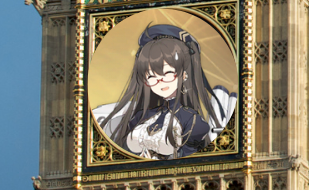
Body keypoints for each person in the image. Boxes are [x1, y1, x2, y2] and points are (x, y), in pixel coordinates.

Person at [93, 23, 236, 159]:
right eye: (151, 76)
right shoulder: (138, 117)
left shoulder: (191, 120)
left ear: (184, 74)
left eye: (167, 73)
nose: (160, 80)